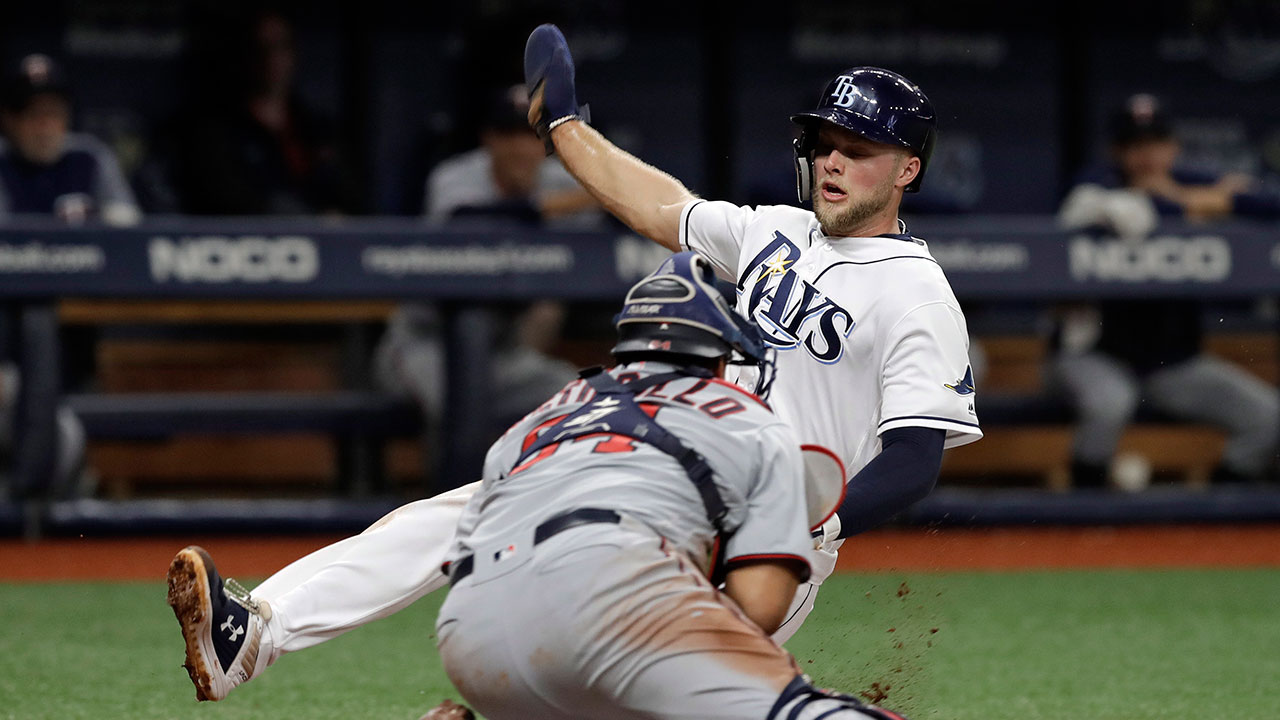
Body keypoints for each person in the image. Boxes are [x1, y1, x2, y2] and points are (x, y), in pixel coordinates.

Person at [163, 24, 980, 702]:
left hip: (766, 532)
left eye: (859, 150)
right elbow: (658, 202)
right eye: (826, 144)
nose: (833, 162)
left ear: (907, 170)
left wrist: (810, 524)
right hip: (673, 476)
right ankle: (256, 631)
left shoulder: (917, 295)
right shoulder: (776, 231)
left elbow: (914, 458)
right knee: (473, 509)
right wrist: (565, 128)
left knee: (633, 676)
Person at [171, 253, 911, 719]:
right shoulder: (747, 417)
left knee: (469, 518)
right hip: (650, 589)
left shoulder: (550, 414)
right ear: (721, 356)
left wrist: (562, 122)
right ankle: (261, 630)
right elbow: (756, 605)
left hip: (476, 627)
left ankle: (262, 630)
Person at [1052, 93, 1280, 488]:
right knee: (1110, 402)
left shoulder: (1187, 178)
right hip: (1098, 355)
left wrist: (1183, 195)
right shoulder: (1096, 184)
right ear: (1116, 151)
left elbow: (1268, 202)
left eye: (1157, 142)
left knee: (1268, 416)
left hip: (1172, 365)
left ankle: (1215, 506)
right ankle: (1083, 506)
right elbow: (1133, 213)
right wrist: (1201, 203)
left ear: (1173, 146)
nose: (1148, 155)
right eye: (1135, 145)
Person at [169, 10, 351, 215]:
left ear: (294, 53)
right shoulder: (216, 130)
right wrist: (300, 219)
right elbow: (230, 199)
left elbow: (347, 195)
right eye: (261, 48)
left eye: (281, 46)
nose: (271, 58)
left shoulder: (317, 128)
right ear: (245, 55)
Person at [0, 53, 140, 225]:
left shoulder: (89, 156)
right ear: (9, 120)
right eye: (33, 114)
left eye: (54, 113)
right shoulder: (3, 160)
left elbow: (128, 222)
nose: (45, 127)